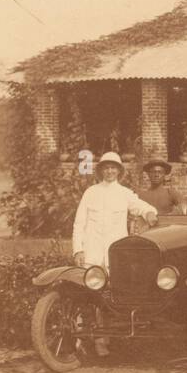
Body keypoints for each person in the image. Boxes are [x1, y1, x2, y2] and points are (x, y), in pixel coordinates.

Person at [72, 151, 158, 355]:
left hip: (116, 253)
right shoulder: (91, 192)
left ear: (119, 171)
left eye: (113, 168)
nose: (109, 171)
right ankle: (79, 339)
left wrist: (149, 213)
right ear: (101, 170)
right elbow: (79, 223)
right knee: (86, 293)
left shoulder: (124, 193)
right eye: (106, 168)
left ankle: (103, 341)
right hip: (91, 249)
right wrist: (78, 249)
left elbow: (141, 206)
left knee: (110, 297)